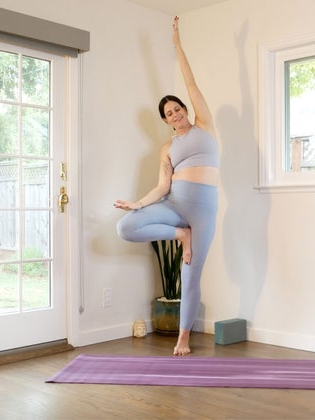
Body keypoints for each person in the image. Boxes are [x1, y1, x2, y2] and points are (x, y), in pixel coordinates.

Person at [114, 16, 219, 356]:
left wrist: (177, 45)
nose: (175, 114)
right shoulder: (167, 149)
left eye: (177, 109)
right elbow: (162, 187)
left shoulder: (204, 126)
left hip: (203, 210)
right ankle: (181, 236)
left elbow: (191, 84)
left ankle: (183, 338)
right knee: (125, 227)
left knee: (190, 275)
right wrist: (138, 204)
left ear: (186, 110)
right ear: (164, 121)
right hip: (174, 205)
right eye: (169, 113)